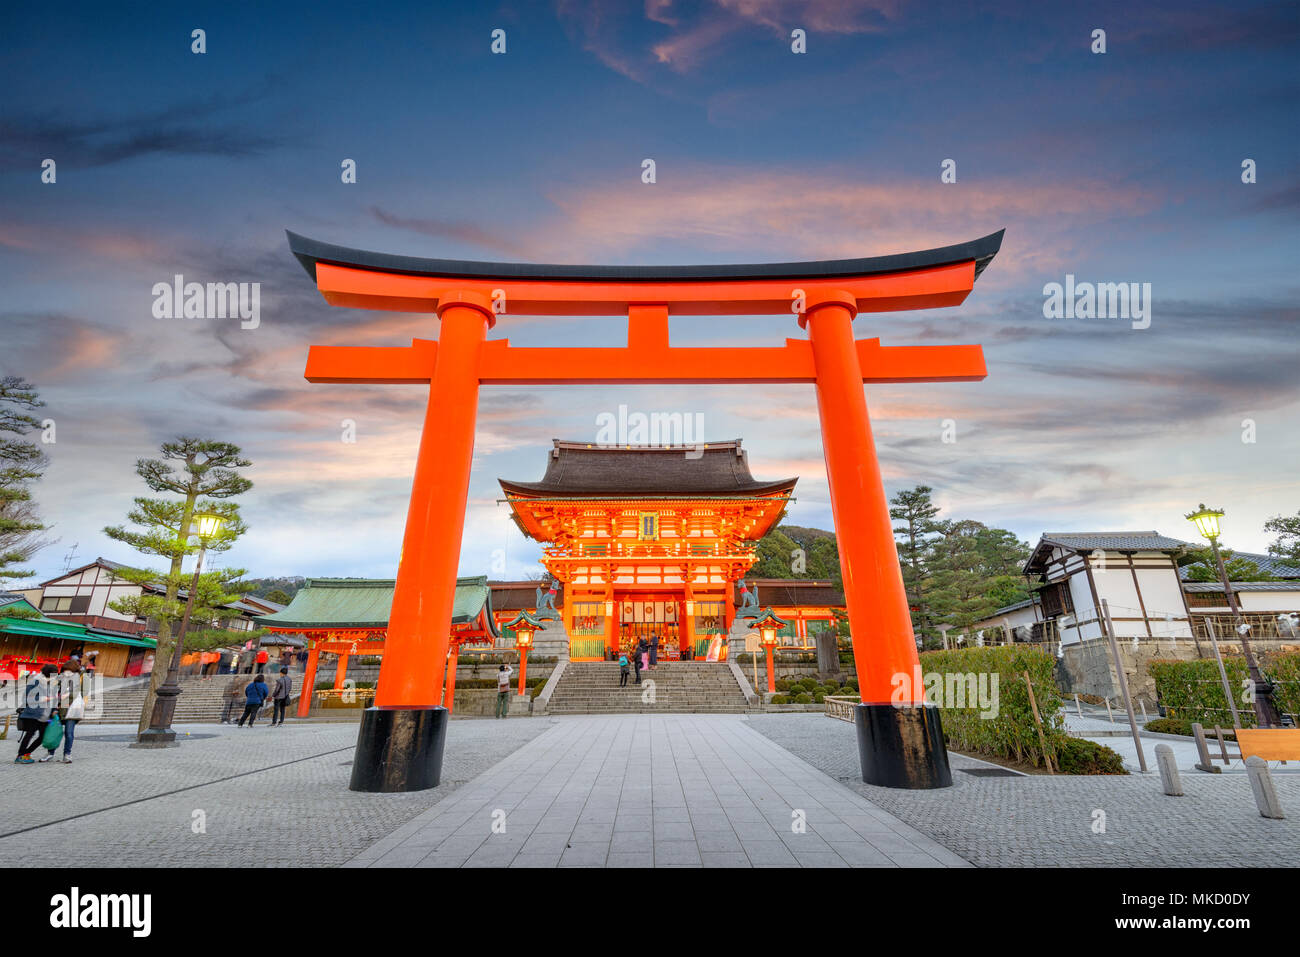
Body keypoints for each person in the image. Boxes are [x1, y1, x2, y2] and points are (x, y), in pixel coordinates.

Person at [14, 664, 56, 764]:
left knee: (42, 737)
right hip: (33, 713)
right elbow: (28, 697)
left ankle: (26, 753)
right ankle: (20, 755)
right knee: (29, 734)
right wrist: (44, 699)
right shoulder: (35, 681)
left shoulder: (50, 683)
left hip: (45, 714)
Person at [53, 660, 86, 763]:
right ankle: (50, 753)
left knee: (69, 733)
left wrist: (68, 695)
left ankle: (67, 754)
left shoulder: (82, 678)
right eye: (65, 670)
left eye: (69, 670)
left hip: (72, 709)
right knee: (53, 731)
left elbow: (84, 692)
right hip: (59, 708)